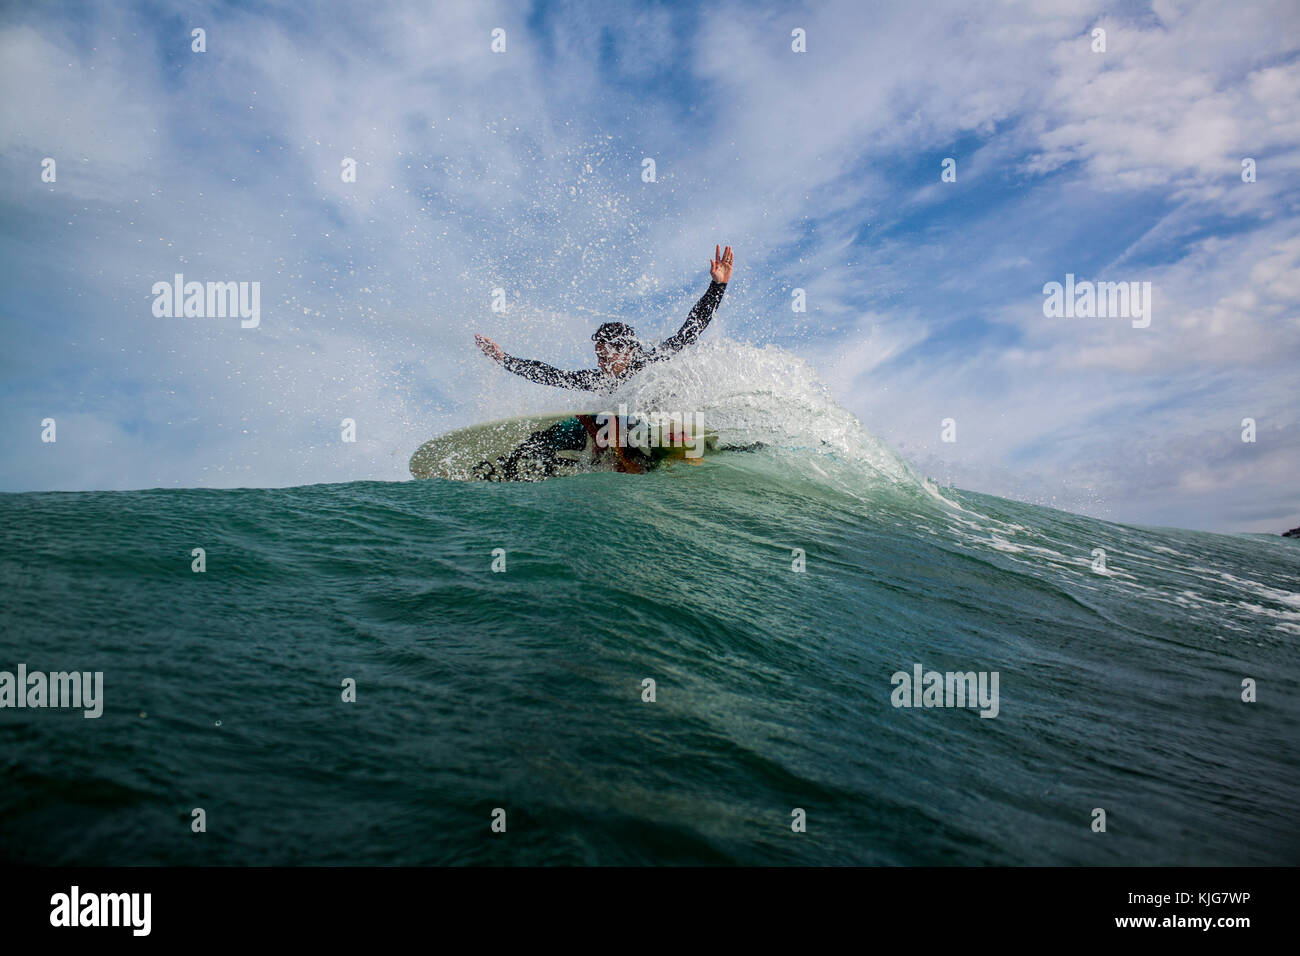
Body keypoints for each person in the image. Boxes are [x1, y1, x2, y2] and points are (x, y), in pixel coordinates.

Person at [472, 244, 734, 480]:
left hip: (653, 429)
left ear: (626, 350)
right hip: (617, 432)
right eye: (597, 356)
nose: (600, 364)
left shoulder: (653, 362)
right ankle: (516, 466)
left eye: (604, 355)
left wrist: (717, 287)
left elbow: (690, 330)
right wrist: (505, 359)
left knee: (624, 424)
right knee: (563, 428)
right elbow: (551, 374)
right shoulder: (600, 380)